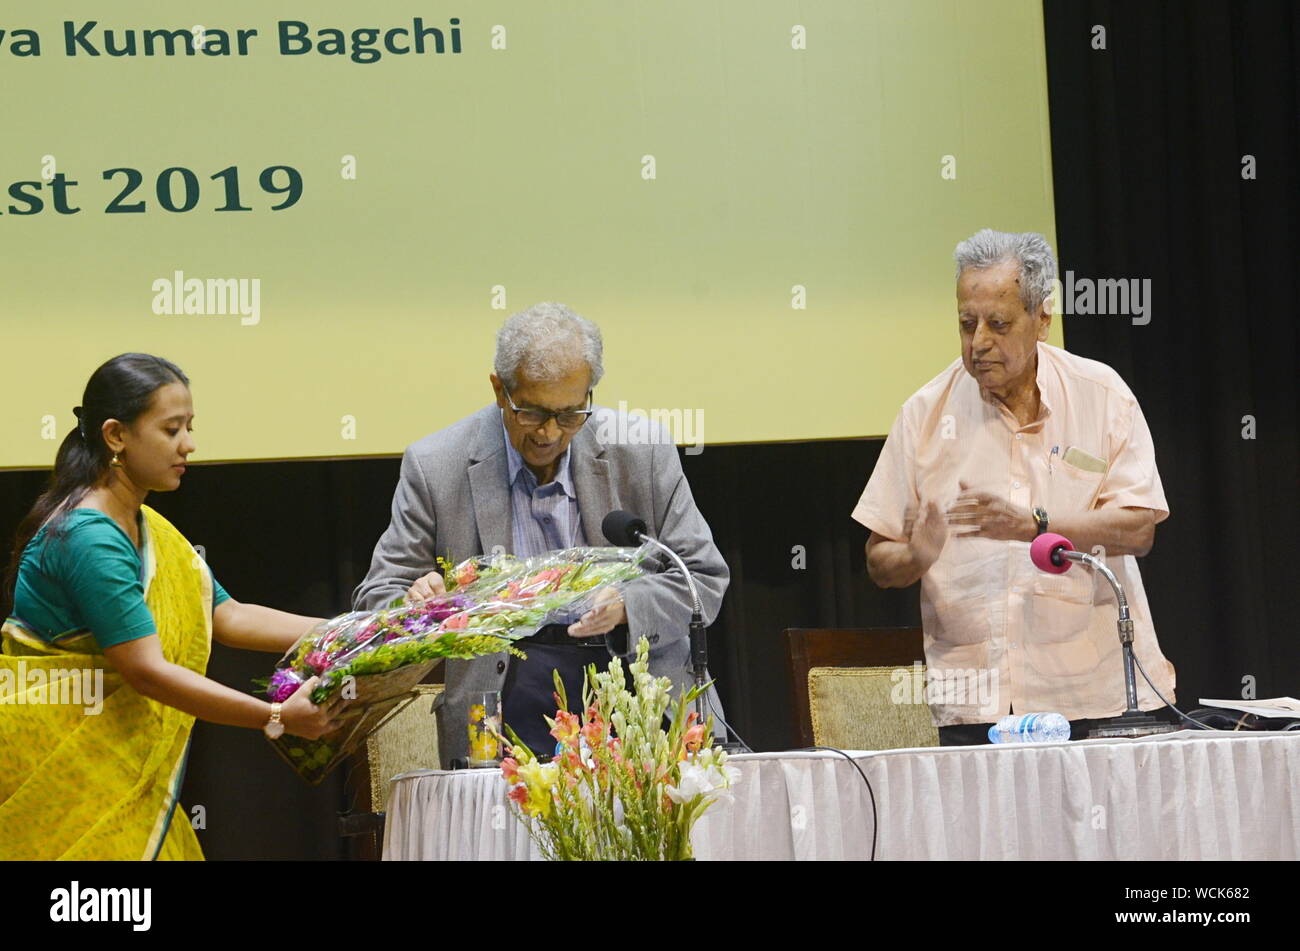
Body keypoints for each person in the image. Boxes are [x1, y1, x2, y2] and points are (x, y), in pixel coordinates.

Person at [1, 353, 345, 860]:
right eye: (171, 429)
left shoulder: (141, 524)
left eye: (189, 426)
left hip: (120, 787)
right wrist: (275, 715)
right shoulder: (88, 538)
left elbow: (227, 616)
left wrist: (358, 628)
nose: (189, 444)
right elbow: (148, 673)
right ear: (116, 436)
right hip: (71, 791)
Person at [354, 302, 729, 764]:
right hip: (504, 692)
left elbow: (702, 578)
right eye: (531, 413)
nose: (550, 433)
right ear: (499, 390)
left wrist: (629, 605)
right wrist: (418, 602)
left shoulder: (642, 452)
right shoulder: (436, 465)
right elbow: (377, 596)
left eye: (571, 414)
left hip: (632, 686)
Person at [852, 230, 1177, 744]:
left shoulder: (1102, 395)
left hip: (1094, 696)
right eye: (966, 324)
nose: (978, 342)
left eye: (998, 324)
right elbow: (878, 559)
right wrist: (914, 556)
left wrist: (1035, 525)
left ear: (1042, 320)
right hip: (974, 704)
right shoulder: (924, 414)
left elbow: (1138, 528)